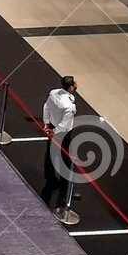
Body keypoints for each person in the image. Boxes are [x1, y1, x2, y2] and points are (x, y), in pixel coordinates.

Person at [40, 76, 79, 208]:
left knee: (50, 154)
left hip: (51, 126)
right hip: (62, 133)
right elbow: (64, 124)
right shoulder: (69, 104)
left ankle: (50, 178)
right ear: (71, 87)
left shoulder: (53, 93)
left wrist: (46, 124)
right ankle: (64, 187)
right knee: (66, 158)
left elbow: (46, 107)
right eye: (75, 83)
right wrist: (54, 131)